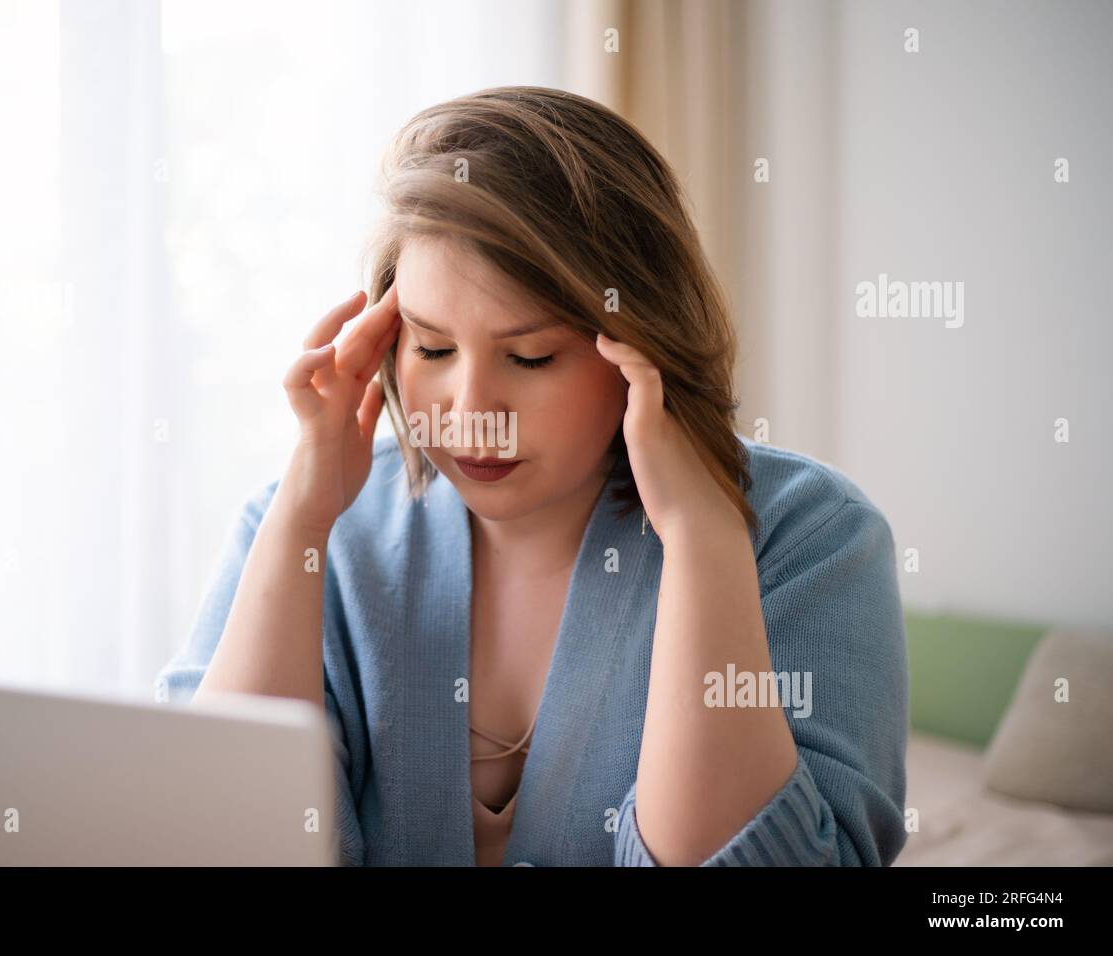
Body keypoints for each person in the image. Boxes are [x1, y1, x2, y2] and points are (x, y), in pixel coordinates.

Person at [155, 86, 908, 867]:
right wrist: (302, 525)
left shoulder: (814, 535)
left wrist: (701, 538)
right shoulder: (305, 529)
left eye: (532, 356)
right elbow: (215, 842)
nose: (471, 408)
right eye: (432, 349)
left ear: (641, 343)